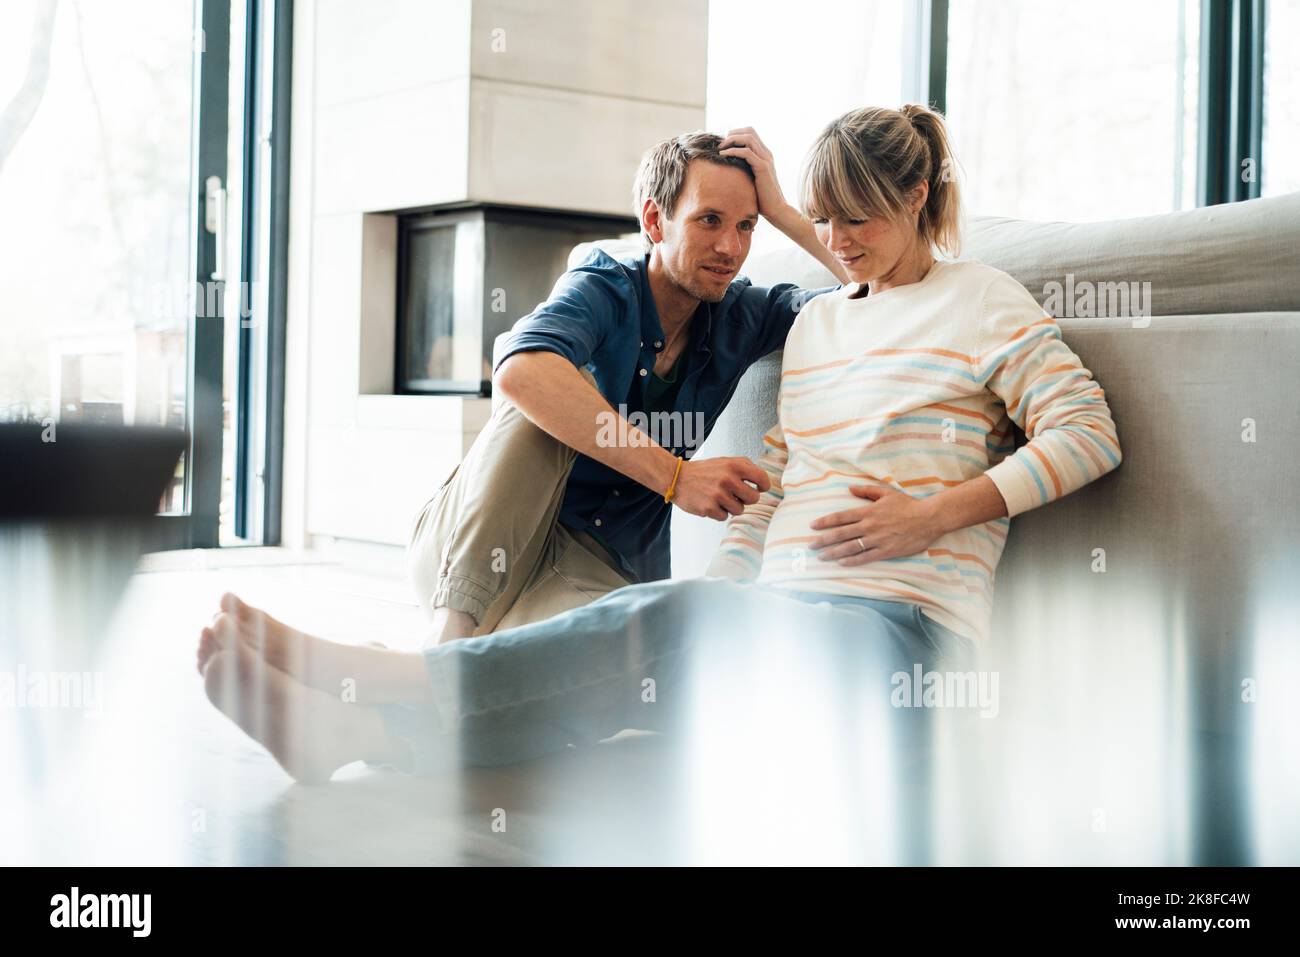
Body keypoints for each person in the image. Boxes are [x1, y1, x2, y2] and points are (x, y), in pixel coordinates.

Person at [198, 104, 1121, 784]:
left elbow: (1088, 429)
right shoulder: (820, 325)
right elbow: (780, 481)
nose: (835, 242)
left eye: (856, 219)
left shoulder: (983, 298)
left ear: (918, 195)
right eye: (821, 220)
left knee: (661, 645)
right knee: (641, 667)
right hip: (779, 617)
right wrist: (717, 588)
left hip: (904, 641)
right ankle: (357, 736)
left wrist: (933, 514)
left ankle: (370, 678)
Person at [411, 131, 848, 644]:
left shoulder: (743, 315)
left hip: (588, 570)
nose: (730, 247)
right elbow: (519, 371)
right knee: (552, 374)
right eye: (709, 220)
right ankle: (448, 640)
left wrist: (783, 211)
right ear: (654, 220)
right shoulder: (604, 285)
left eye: (746, 225)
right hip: (470, 546)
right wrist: (674, 477)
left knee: (631, 663)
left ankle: (432, 675)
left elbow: (870, 296)